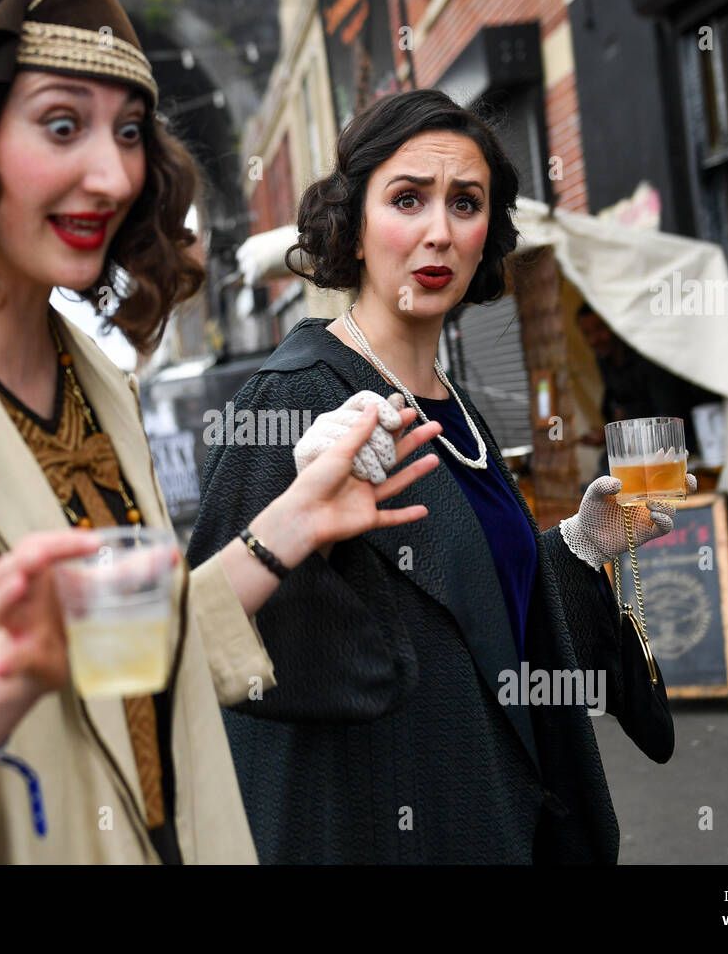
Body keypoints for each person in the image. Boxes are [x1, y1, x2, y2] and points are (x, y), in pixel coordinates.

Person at [0, 0, 440, 865]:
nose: (113, 175)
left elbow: (128, 670)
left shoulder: (96, 381)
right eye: (62, 125)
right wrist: (0, 684)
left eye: (129, 132)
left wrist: (295, 523)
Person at [186, 89, 695, 863]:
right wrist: (299, 527)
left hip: (494, 814)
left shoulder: (457, 407)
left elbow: (467, 615)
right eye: (406, 199)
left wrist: (579, 548)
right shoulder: (294, 397)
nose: (438, 233)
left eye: (465, 203)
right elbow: (219, 651)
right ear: (353, 228)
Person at [576, 301, 714, 470]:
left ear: (613, 325)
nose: (594, 339)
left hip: (669, 449)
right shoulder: (604, 361)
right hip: (635, 448)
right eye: (587, 333)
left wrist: (622, 438)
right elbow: (619, 406)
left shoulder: (646, 357)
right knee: (603, 473)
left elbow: (668, 417)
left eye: (599, 329)